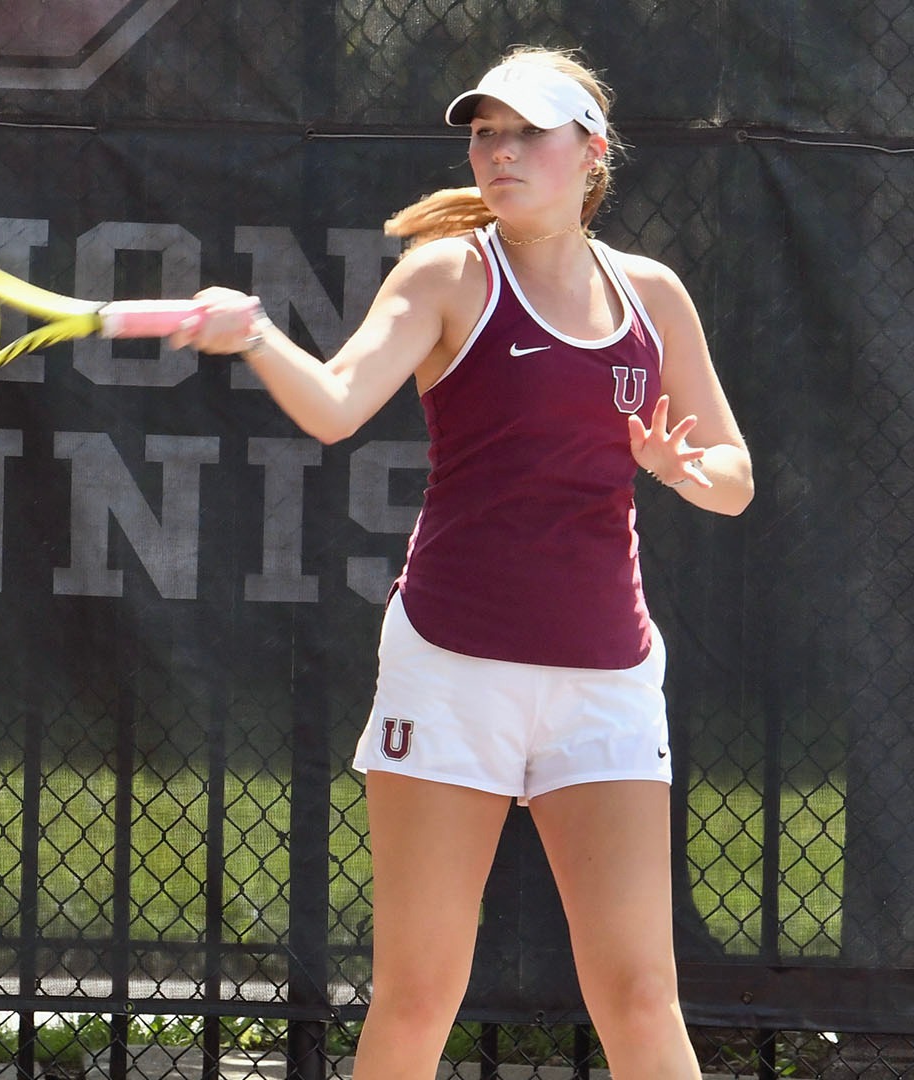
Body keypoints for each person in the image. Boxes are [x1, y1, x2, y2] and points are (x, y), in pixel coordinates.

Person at [169, 46, 752, 1079]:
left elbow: (733, 474)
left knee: (640, 996)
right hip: (451, 672)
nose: (500, 150)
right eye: (486, 132)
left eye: (527, 132)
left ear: (590, 152)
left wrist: (680, 470)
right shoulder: (448, 273)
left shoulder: (654, 297)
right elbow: (339, 404)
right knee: (418, 997)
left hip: (609, 681)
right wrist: (257, 333)